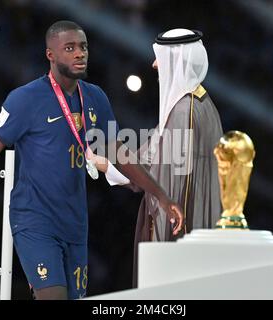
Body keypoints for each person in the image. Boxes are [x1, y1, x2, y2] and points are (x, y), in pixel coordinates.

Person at [0, 21, 183, 300]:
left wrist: (162, 196)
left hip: (75, 225)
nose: (79, 53)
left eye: (83, 47)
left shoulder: (96, 98)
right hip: (34, 221)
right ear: (51, 55)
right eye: (69, 48)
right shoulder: (25, 99)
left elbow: (121, 155)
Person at [94, 28, 223, 287]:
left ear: (175, 61)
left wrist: (104, 162)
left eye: (159, 58)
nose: (154, 65)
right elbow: (151, 155)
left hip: (177, 237)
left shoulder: (183, 112)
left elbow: (164, 184)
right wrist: (108, 163)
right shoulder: (201, 102)